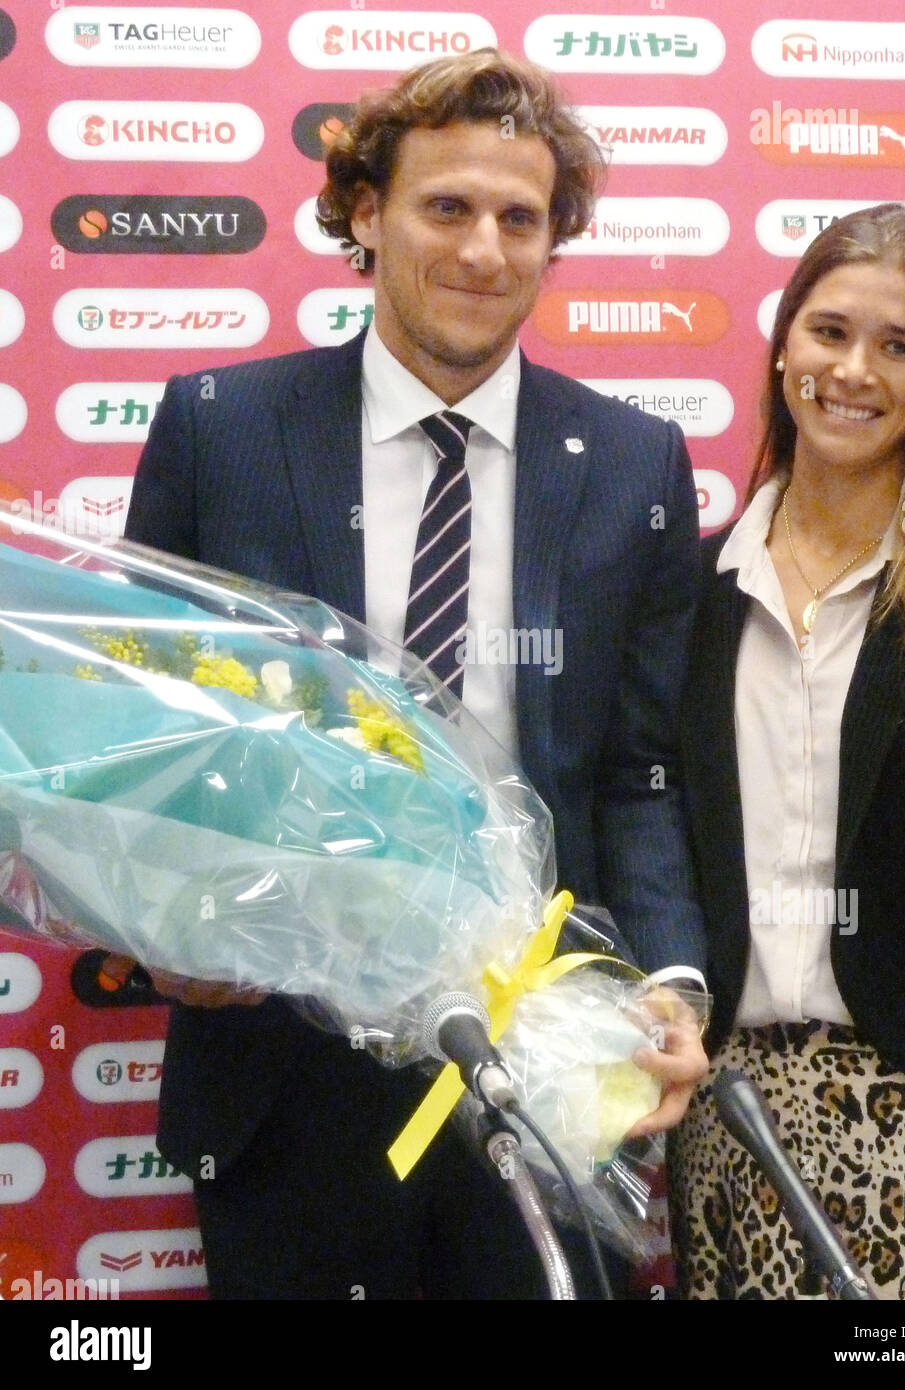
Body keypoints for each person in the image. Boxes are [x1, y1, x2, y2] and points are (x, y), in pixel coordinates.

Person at [118, 48, 708, 1299]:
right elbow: (142, 722)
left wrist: (665, 978)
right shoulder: (219, 427)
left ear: (557, 239)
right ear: (364, 212)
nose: (483, 249)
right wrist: (155, 920)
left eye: (519, 216)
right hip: (282, 1061)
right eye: (446, 206)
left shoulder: (632, 464)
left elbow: (638, 771)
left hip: (549, 1071)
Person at [670, 203, 905, 1300]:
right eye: (827, 331)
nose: (852, 369)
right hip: (727, 1130)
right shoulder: (691, 592)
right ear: (781, 348)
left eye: (897, 344)